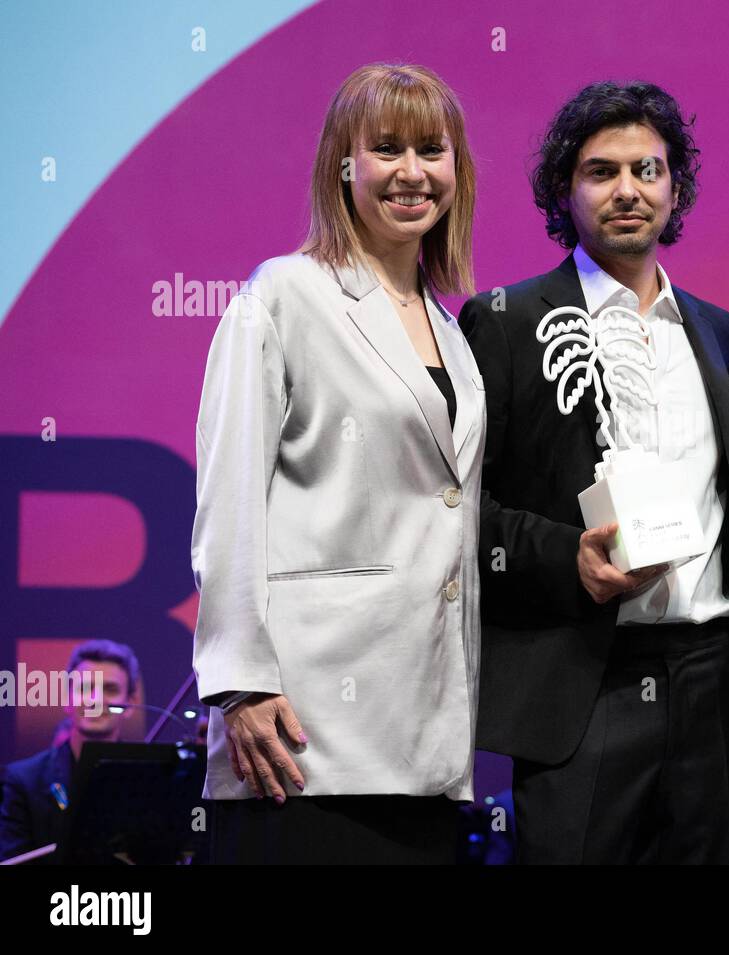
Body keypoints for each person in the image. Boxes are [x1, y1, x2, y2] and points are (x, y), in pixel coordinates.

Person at [459, 80, 729, 864]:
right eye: (602, 171)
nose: (628, 190)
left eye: (648, 170)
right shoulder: (506, 320)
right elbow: (462, 508)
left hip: (709, 681)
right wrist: (568, 558)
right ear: (565, 189)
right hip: (580, 680)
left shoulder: (717, 330)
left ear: (675, 188)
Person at [191, 62, 485, 864]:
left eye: (432, 149)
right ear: (341, 165)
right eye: (385, 148)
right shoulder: (283, 294)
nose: (412, 172)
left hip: (423, 739)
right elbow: (228, 500)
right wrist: (239, 681)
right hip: (302, 732)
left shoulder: (451, 332)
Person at [0, 639, 139, 860]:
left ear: (130, 703)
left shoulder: (149, 778)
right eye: (85, 688)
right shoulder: (23, 781)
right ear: (66, 698)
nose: (96, 699)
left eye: (110, 689)